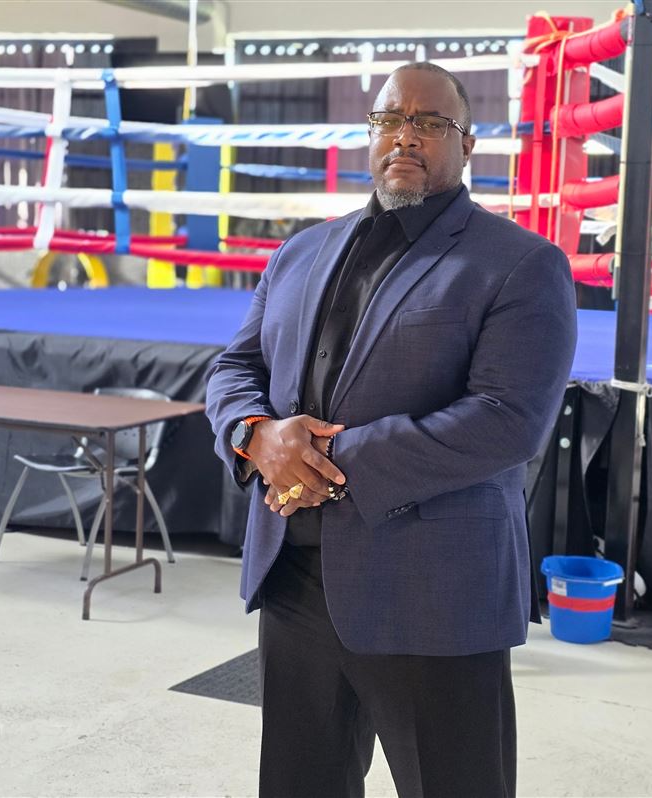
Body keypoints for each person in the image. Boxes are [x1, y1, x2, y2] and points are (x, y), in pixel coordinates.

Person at [206, 62, 577, 798]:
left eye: (430, 123)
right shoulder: (301, 251)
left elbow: (507, 420)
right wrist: (256, 436)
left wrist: (322, 460)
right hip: (296, 585)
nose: (405, 136)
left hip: (432, 589)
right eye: (388, 120)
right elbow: (234, 367)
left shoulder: (521, 264)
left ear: (466, 144)